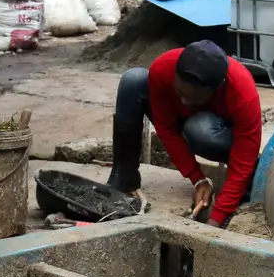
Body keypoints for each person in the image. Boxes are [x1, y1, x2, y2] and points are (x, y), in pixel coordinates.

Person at [107, 40, 262, 228]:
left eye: (194, 97)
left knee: (199, 129)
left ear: (217, 88)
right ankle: (124, 178)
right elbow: (166, 129)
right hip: (182, 122)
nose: (184, 100)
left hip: (216, 132)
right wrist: (198, 178)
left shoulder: (243, 93)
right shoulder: (164, 68)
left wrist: (217, 219)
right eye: (179, 91)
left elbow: (245, 158)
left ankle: (243, 188)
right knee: (133, 80)